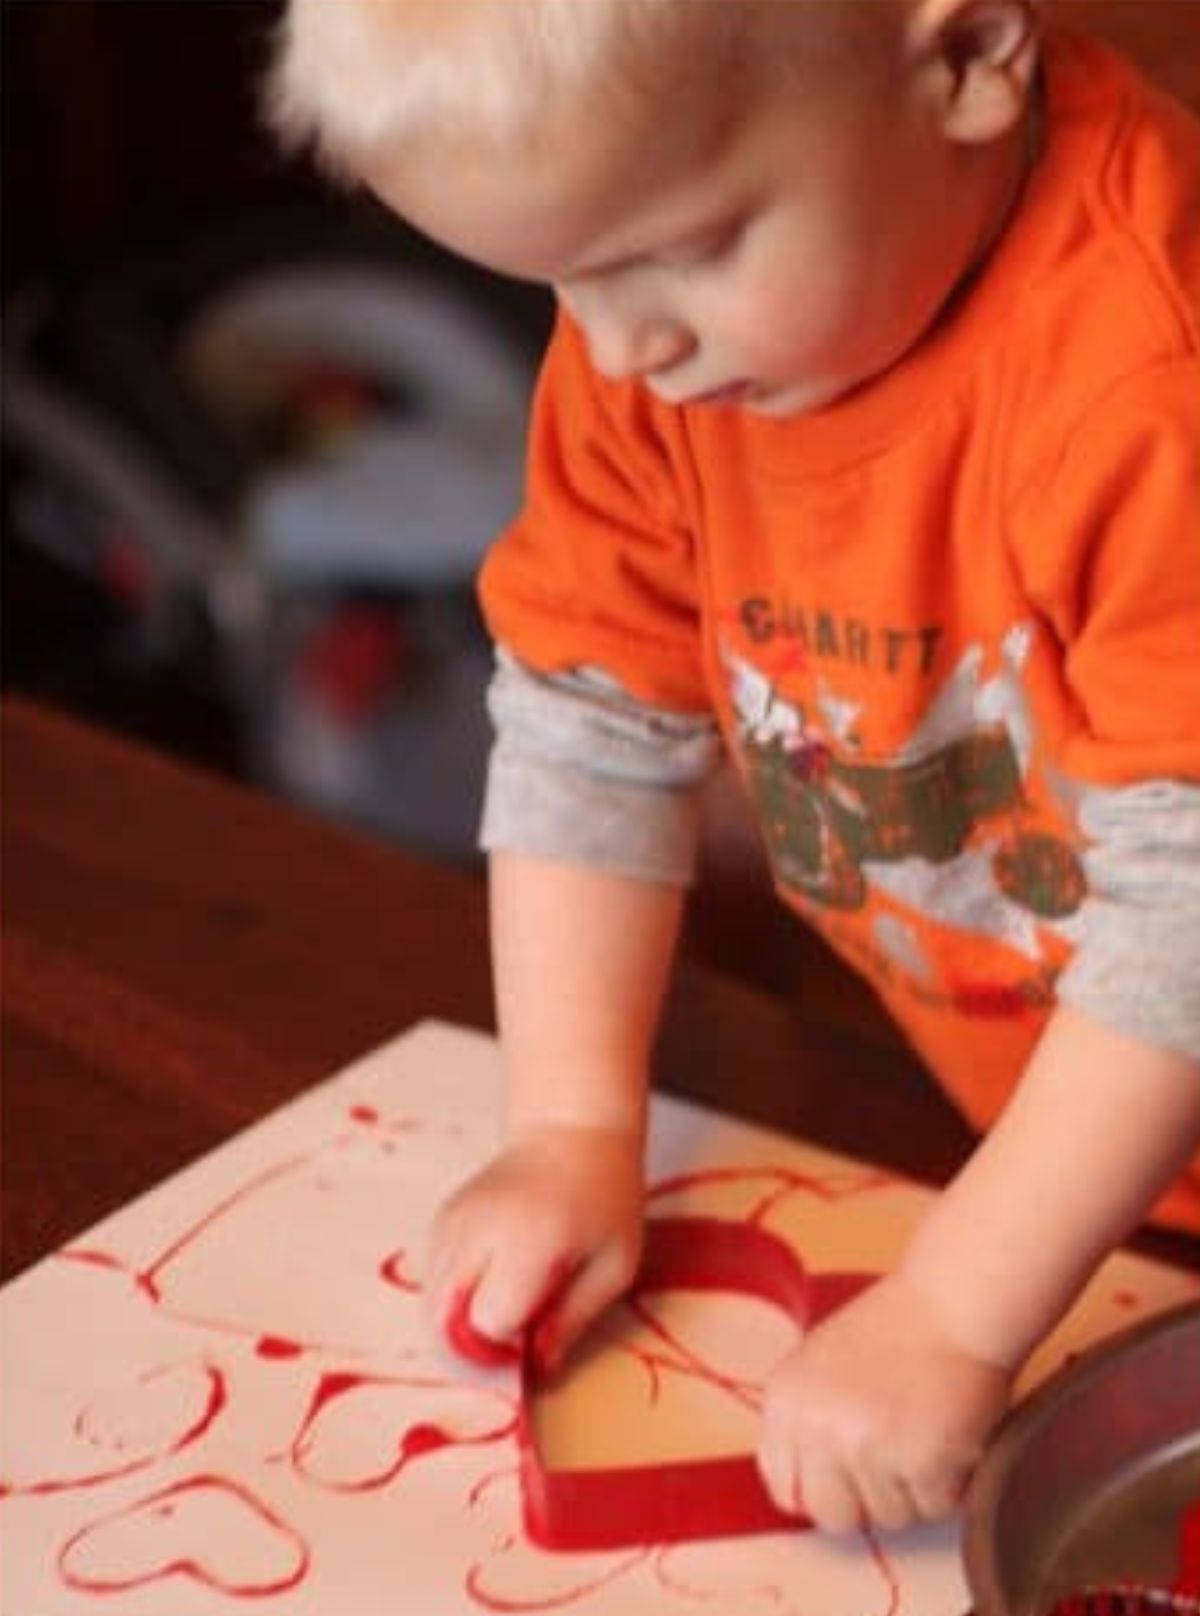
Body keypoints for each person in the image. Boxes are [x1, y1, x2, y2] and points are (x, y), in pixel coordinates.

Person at [269, 0, 1200, 1533]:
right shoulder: (665, 356)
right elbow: (590, 716)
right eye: (564, 276)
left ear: (962, 59)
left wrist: (955, 1315)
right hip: (1059, 1149)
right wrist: (568, 1132)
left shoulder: (1143, 373)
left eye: (681, 250)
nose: (624, 346)